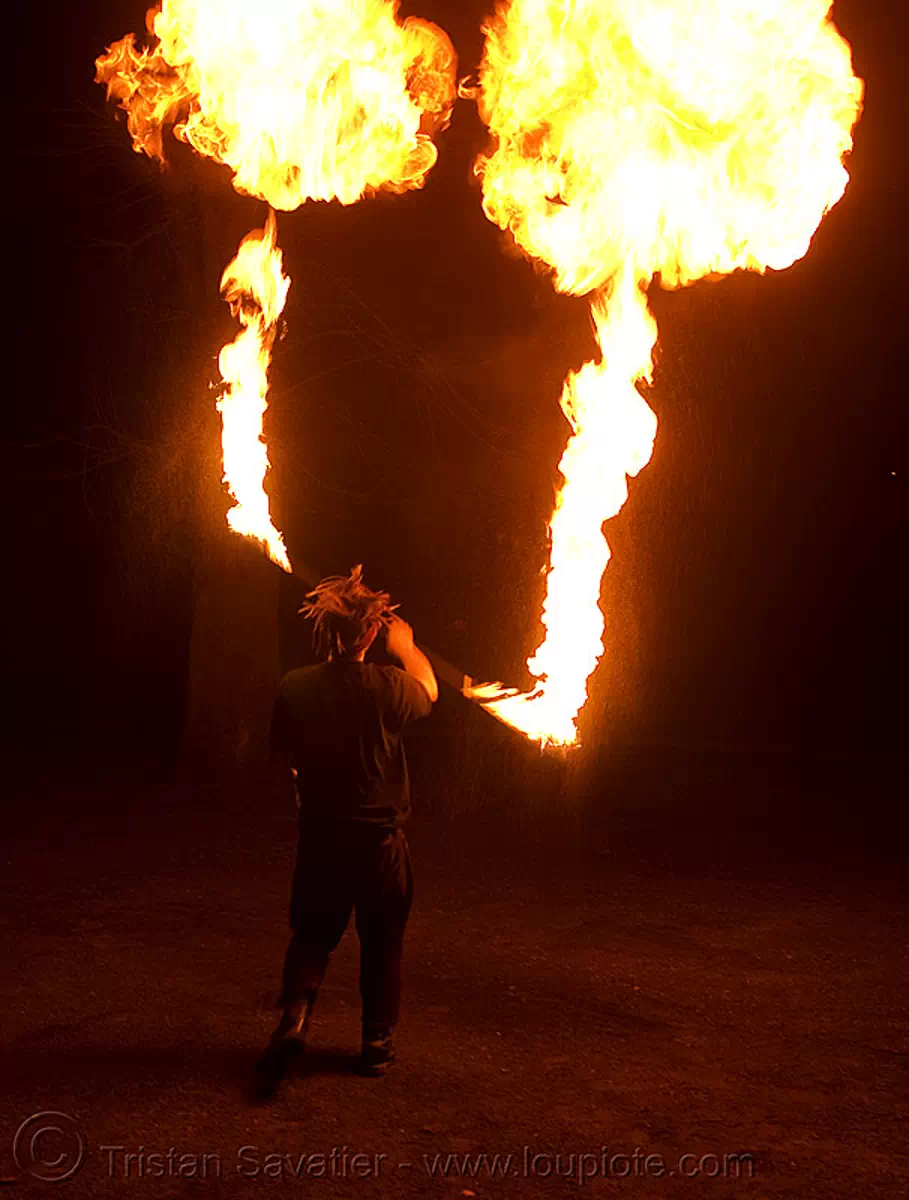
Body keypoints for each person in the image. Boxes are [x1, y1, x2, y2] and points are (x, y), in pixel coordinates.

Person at [256, 565, 437, 1095]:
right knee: (383, 942)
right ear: (371, 632)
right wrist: (407, 646)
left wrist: (301, 787)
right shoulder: (390, 685)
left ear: (325, 631)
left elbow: (281, 762)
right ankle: (376, 1044)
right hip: (380, 847)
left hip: (322, 840)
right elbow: (429, 690)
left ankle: (295, 1017)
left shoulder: (296, 686)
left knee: (312, 936)